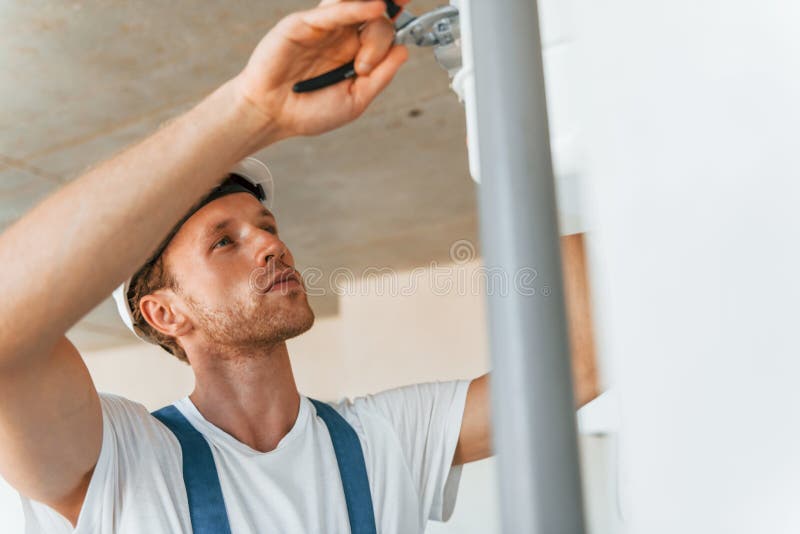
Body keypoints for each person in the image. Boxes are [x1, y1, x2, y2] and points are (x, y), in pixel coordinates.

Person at [0, 1, 596, 532]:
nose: (270, 246)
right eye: (223, 242)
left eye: (267, 228)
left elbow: (582, 361)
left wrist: (512, 116)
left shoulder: (380, 441)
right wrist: (247, 111)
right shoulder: (123, 466)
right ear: (163, 312)